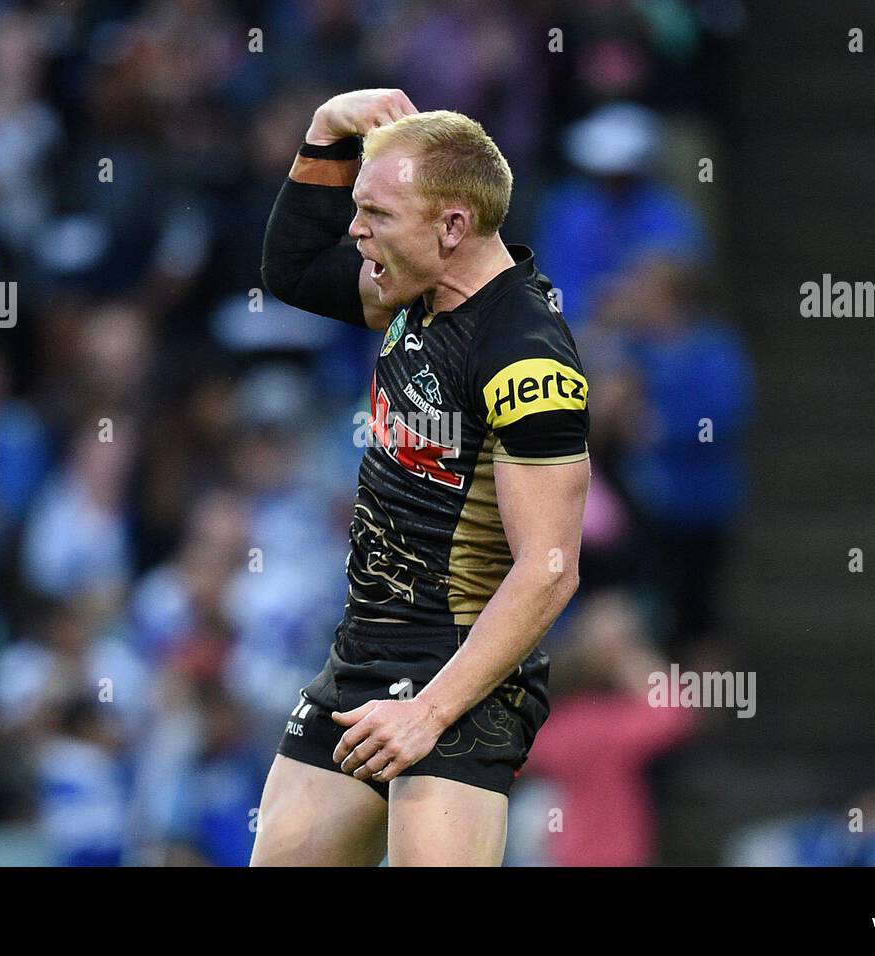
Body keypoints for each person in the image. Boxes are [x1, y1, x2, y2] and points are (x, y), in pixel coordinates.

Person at [252, 89, 591, 866]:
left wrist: (430, 712)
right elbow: (294, 269)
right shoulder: (412, 290)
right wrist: (327, 129)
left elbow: (549, 569)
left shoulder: (526, 357)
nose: (355, 230)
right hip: (365, 654)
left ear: (452, 226)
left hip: (462, 676)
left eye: (377, 214)